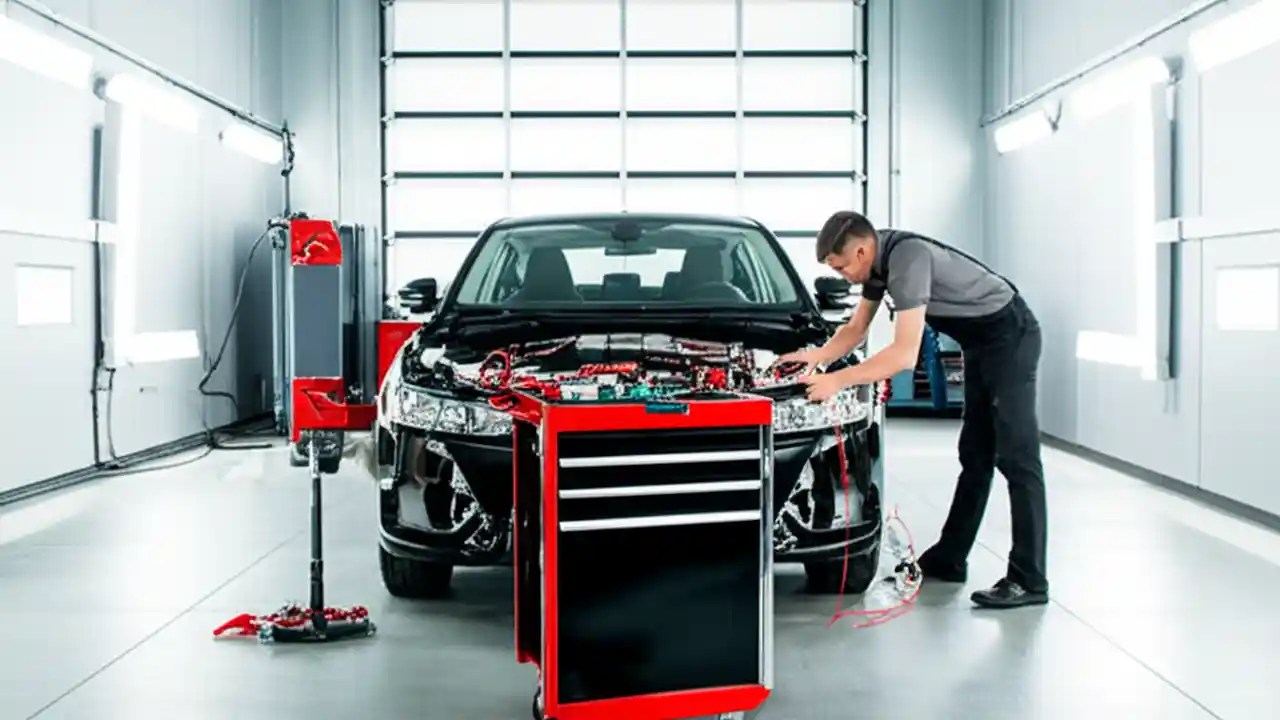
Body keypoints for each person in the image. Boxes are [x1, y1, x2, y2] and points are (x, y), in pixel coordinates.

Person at [781, 210, 1048, 609]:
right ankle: (950, 558)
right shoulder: (876, 259)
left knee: (1018, 458)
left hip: (1011, 336)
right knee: (974, 456)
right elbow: (855, 329)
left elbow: (904, 355)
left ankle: (1030, 580)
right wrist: (814, 357)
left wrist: (837, 380)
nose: (842, 278)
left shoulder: (907, 259)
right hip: (982, 344)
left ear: (859, 250)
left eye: (840, 268)